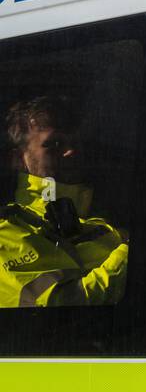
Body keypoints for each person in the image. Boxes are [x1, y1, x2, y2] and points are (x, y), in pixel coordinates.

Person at [0, 96, 128, 306]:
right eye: (55, 144)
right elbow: (60, 308)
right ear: (18, 159)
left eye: (75, 143)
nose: (71, 151)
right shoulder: (6, 235)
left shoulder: (103, 226)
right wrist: (136, 252)